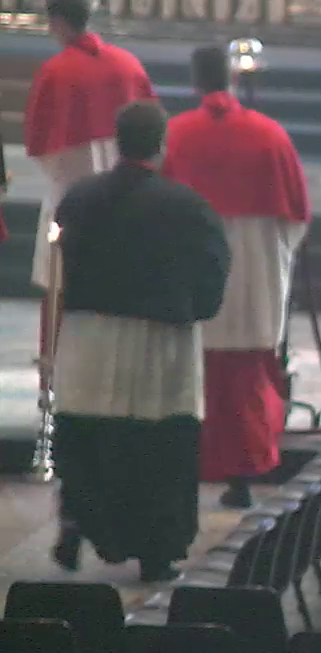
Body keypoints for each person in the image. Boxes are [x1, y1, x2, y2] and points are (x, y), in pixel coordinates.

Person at [50, 100, 230, 582]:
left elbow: (57, 264)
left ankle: (76, 525)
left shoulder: (79, 198)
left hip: (89, 340)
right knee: (158, 449)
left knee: (86, 436)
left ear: (117, 139)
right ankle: (156, 553)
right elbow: (212, 273)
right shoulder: (187, 207)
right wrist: (195, 310)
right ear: (161, 144)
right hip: (160, 344)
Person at [163, 46, 311, 509]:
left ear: (194, 82)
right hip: (253, 273)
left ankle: (187, 471)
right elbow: (295, 218)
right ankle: (242, 478)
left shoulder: (176, 134)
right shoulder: (269, 135)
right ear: (230, 78)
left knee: (194, 379)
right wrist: (275, 258)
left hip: (194, 273)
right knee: (247, 383)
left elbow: (161, 213)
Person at [24, 0, 155, 408]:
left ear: (58, 21)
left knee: (61, 293)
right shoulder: (127, 65)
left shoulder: (57, 71)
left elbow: (40, 145)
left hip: (70, 198)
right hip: (128, 203)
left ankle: (55, 385)